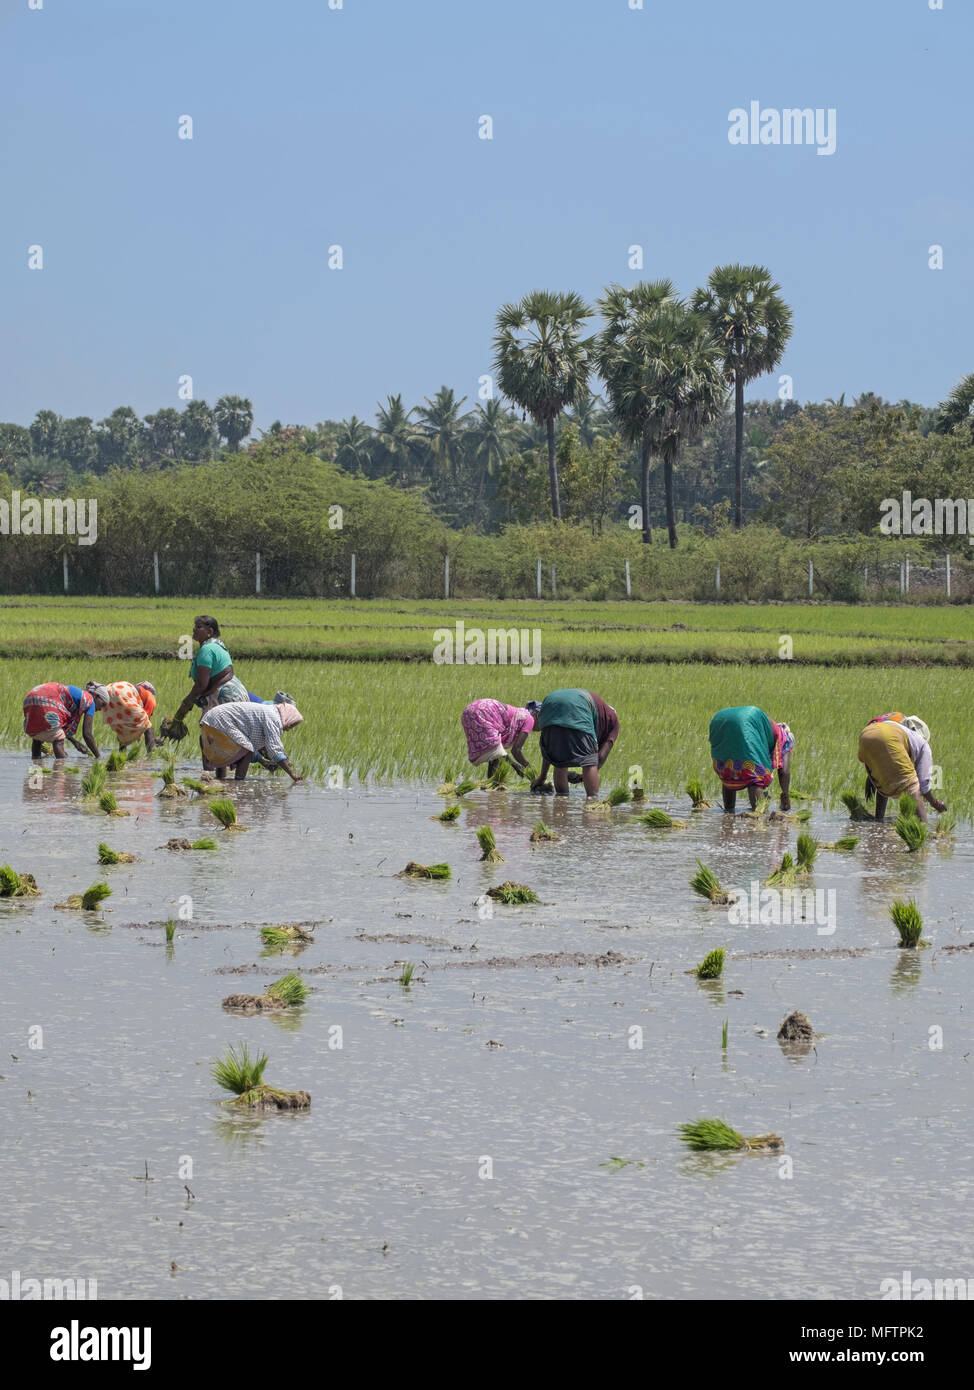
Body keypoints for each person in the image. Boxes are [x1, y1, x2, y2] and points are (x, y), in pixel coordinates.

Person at [857, 712, 946, 822]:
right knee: (913, 787)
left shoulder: (897, 727)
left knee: (883, 780)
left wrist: (871, 779)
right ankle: (923, 829)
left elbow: (881, 753)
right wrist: (934, 802)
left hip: (865, 735)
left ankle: (878, 820)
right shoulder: (923, 744)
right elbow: (923, 784)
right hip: (888, 735)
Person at [530, 689, 619, 797]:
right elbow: (600, 757)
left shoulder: (600, 710)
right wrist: (583, 777)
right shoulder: (613, 722)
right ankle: (593, 802)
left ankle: (561, 802)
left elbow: (550, 753)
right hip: (578, 706)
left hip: (550, 702)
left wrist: (542, 777)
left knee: (559, 762)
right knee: (589, 763)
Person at [709, 705, 793, 812]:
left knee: (729, 769)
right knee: (756, 777)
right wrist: (785, 796)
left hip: (720, 720)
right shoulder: (785, 738)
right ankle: (758, 817)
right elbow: (784, 772)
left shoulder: (765, 730)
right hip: (747, 721)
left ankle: (728, 814)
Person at [199, 701, 305, 783]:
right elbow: (274, 749)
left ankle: (220, 779)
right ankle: (238, 782)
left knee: (230, 751)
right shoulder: (274, 718)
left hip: (211, 718)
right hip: (220, 719)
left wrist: (267, 763)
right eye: (291, 724)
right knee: (248, 750)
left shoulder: (269, 712)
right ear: (288, 716)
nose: (288, 729)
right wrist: (292, 774)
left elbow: (259, 746)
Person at [173, 616, 248, 725]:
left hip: (224, 696)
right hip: (237, 693)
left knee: (214, 739)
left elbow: (201, 685)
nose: (194, 629)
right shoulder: (218, 646)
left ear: (209, 631)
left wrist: (186, 704)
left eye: (199, 627)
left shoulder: (206, 650)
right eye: (195, 626)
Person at [23, 681, 104, 761]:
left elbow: (61, 726)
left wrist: (75, 742)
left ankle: (35, 768)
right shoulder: (90, 701)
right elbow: (87, 734)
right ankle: (59, 771)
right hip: (46, 698)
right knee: (58, 740)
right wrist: (98, 757)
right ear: (97, 696)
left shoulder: (77, 697)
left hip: (30, 698)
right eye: (103, 704)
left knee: (37, 739)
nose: (101, 709)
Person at [460, 699, 535, 777]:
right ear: (537, 714)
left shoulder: (518, 715)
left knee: (494, 755)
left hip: (468, 712)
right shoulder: (530, 719)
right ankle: (493, 783)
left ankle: (490, 783)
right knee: (495, 748)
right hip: (483, 710)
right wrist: (529, 769)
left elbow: (495, 754)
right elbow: (516, 750)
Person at [91, 680, 157, 752]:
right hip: (122, 694)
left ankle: (122, 755)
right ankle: (151, 755)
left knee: (122, 727)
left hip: (108, 690)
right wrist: (153, 740)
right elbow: (145, 723)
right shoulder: (151, 699)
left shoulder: (137, 691)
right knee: (148, 727)